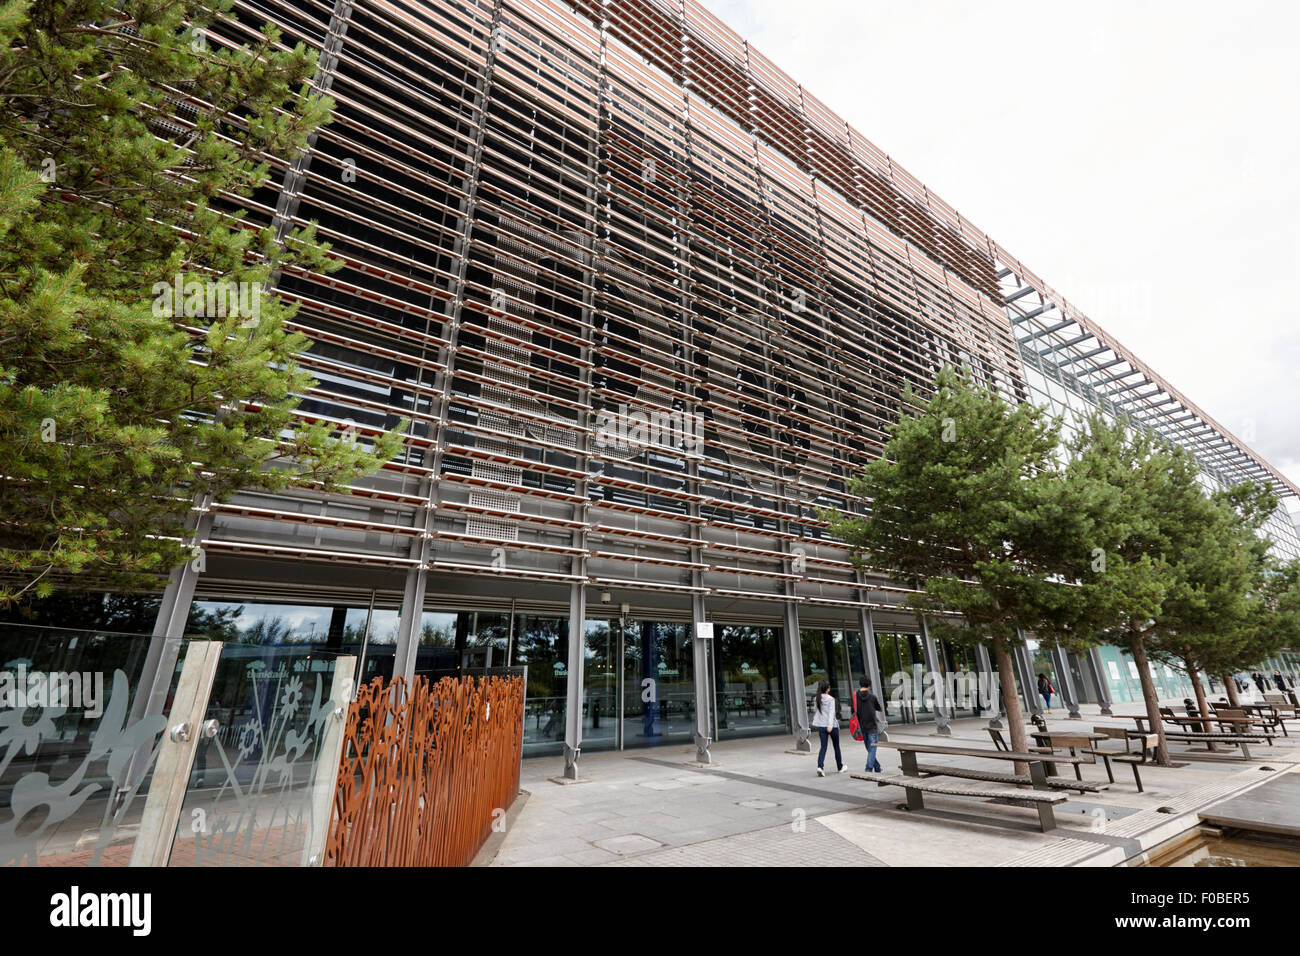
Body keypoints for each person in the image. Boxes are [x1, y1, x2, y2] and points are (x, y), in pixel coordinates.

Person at [810, 680, 844, 777]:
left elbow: (814, 710)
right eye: (829, 687)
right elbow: (831, 714)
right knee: (836, 746)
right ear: (827, 689)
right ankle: (840, 767)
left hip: (821, 726)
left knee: (823, 747)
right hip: (831, 726)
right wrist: (829, 726)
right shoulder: (831, 699)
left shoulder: (817, 698)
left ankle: (820, 767)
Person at [854, 677, 884, 773]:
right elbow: (879, 708)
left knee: (870, 748)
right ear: (869, 685)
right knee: (872, 748)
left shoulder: (855, 697)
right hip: (872, 726)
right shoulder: (872, 697)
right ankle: (868, 769)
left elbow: (853, 711)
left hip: (861, 727)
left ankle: (878, 767)